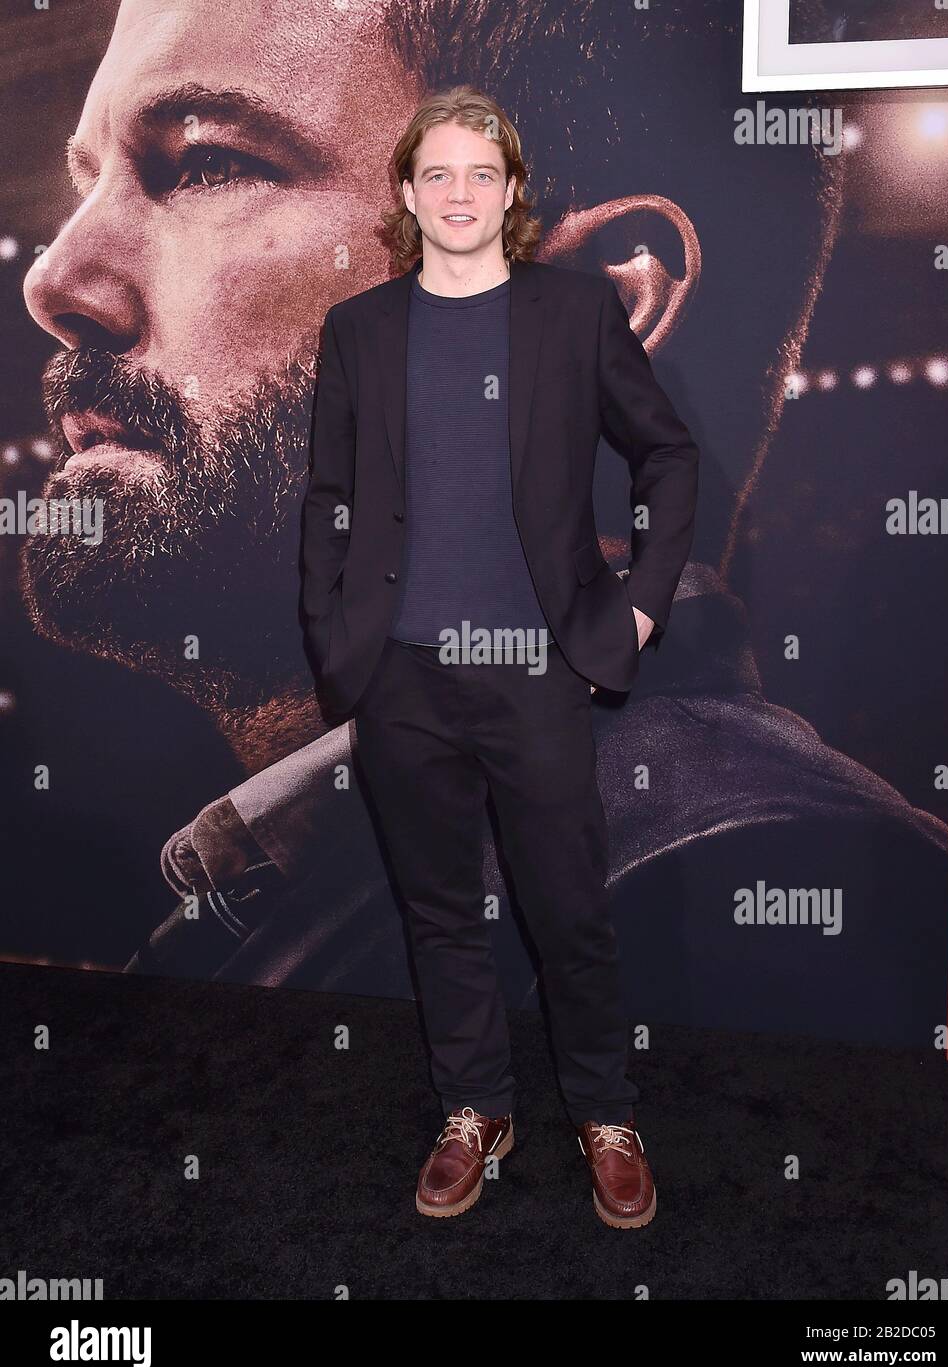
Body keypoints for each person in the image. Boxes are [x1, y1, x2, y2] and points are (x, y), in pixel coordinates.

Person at [300, 85, 699, 1227]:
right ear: (406, 194)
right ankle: (472, 1106)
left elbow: (665, 456)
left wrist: (634, 612)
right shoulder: (360, 330)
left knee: (565, 907)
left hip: (537, 669)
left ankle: (603, 1112)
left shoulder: (572, 315)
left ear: (512, 191)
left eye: (481, 173)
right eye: (437, 174)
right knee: (436, 910)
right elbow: (327, 501)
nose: (459, 193)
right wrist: (341, 648)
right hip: (401, 677)